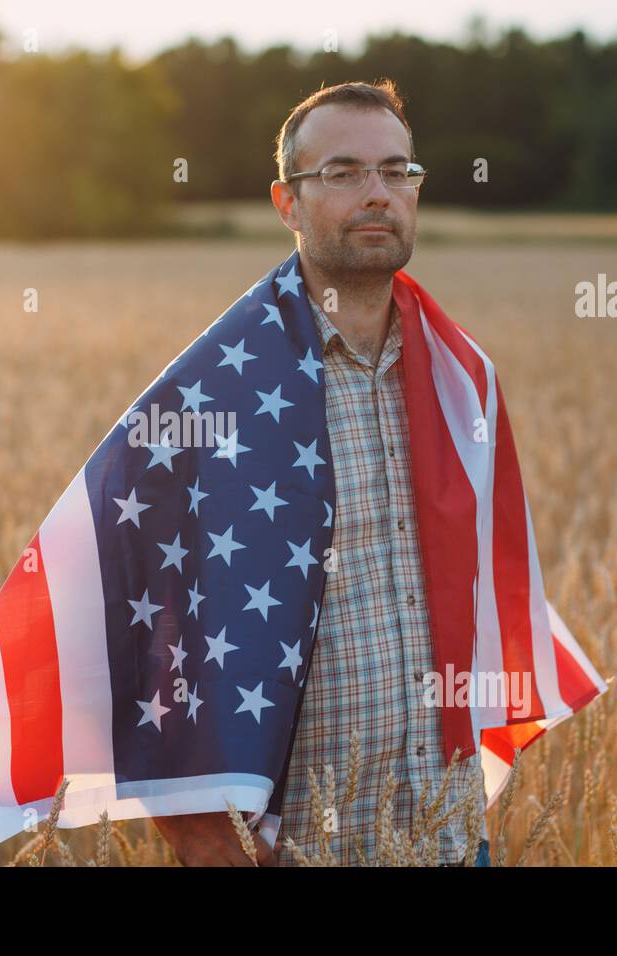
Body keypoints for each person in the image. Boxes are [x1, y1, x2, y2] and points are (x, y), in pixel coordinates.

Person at [152, 79, 490, 867]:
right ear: (287, 202)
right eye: (343, 173)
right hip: (302, 848)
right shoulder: (216, 395)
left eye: (396, 171)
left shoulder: (461, 378)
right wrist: (206, 839)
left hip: (449, 833)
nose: (377, 195)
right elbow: (150, 620)